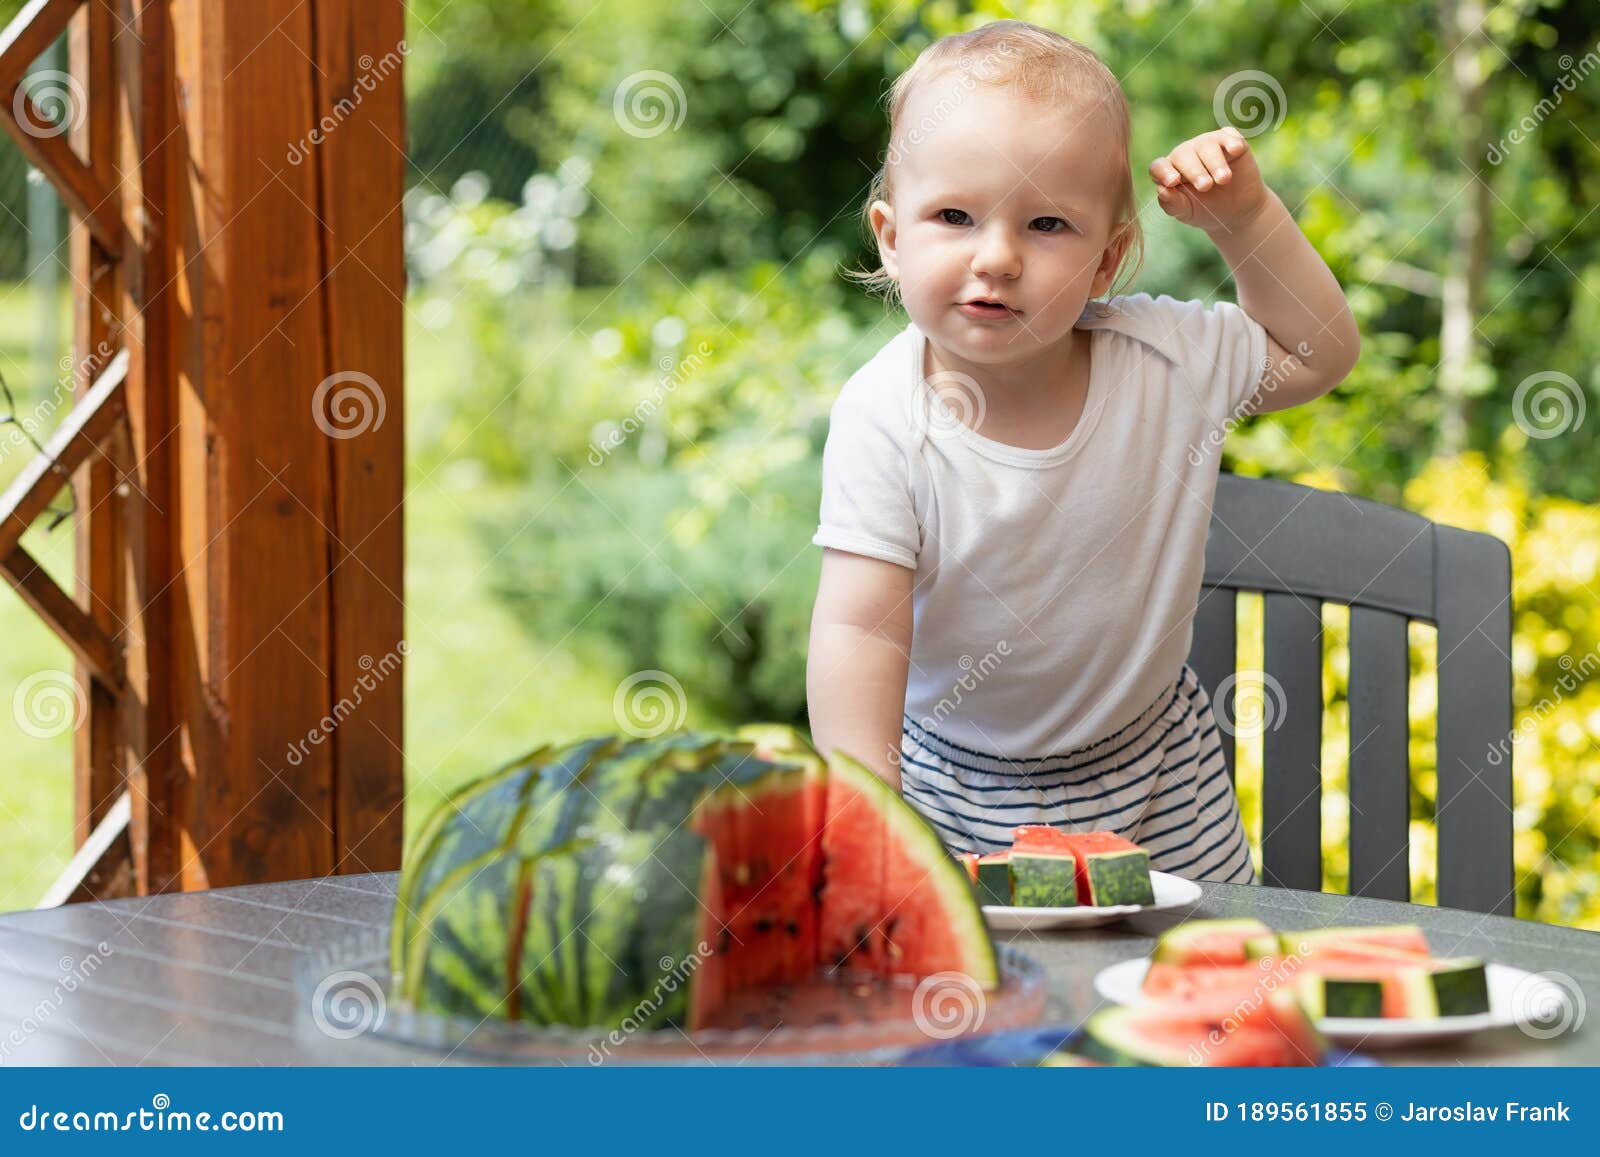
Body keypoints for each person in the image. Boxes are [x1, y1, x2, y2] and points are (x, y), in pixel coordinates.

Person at [805, 20, 1360, 882]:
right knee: (968, 998)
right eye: (953, 215)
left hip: (1157, 772)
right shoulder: (885, 416)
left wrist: (1246, 220)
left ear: (1107, 262)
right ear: (889, 234)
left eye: (1047, 224)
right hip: (946, 786)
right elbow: (857, 630)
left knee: (1202, 988)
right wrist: (869, 827)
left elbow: (1320, 351)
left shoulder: (1166, 360)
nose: (997, 257)